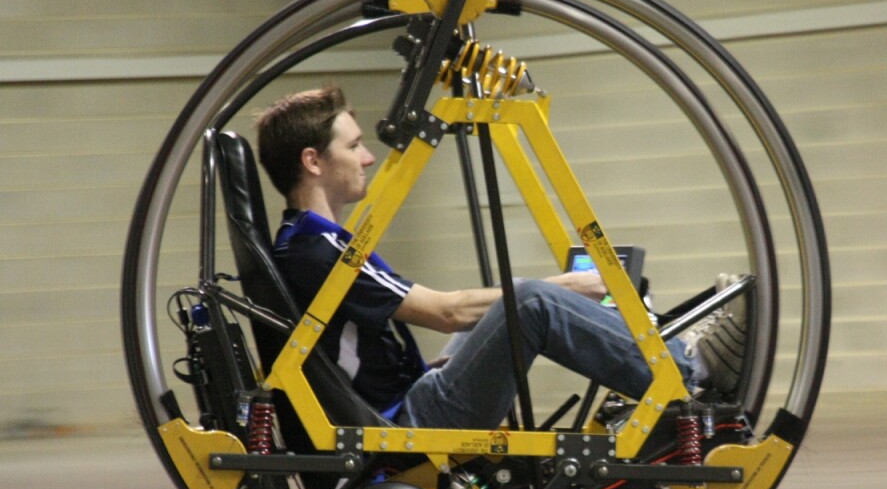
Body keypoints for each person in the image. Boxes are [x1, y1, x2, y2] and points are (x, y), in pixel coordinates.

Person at [254, 84, 745, 430]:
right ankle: (689, 368)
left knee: (511, 306)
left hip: (412, 393)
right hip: (406, 419)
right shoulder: (317, 249)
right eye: (354, 146)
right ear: (313, 161)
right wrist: (565, 287)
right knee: (531, 302)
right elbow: (445, 313)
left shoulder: (311, 240)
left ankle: (665, 347)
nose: (367, 158)